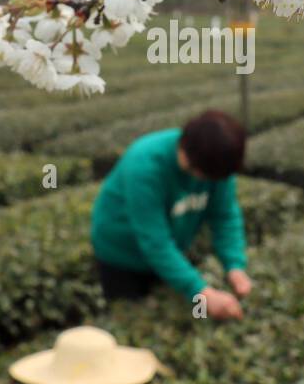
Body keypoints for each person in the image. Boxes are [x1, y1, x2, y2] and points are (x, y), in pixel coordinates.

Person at [90, 110, 250, 320]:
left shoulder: (216, 161)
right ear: (187, 154)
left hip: (169, 249)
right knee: (133, 323)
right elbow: (155, 241)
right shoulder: (145, 165)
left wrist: (235, 266)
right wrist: (203, 293)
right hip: (122, 253)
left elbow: (225, 216)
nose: (210, 182)